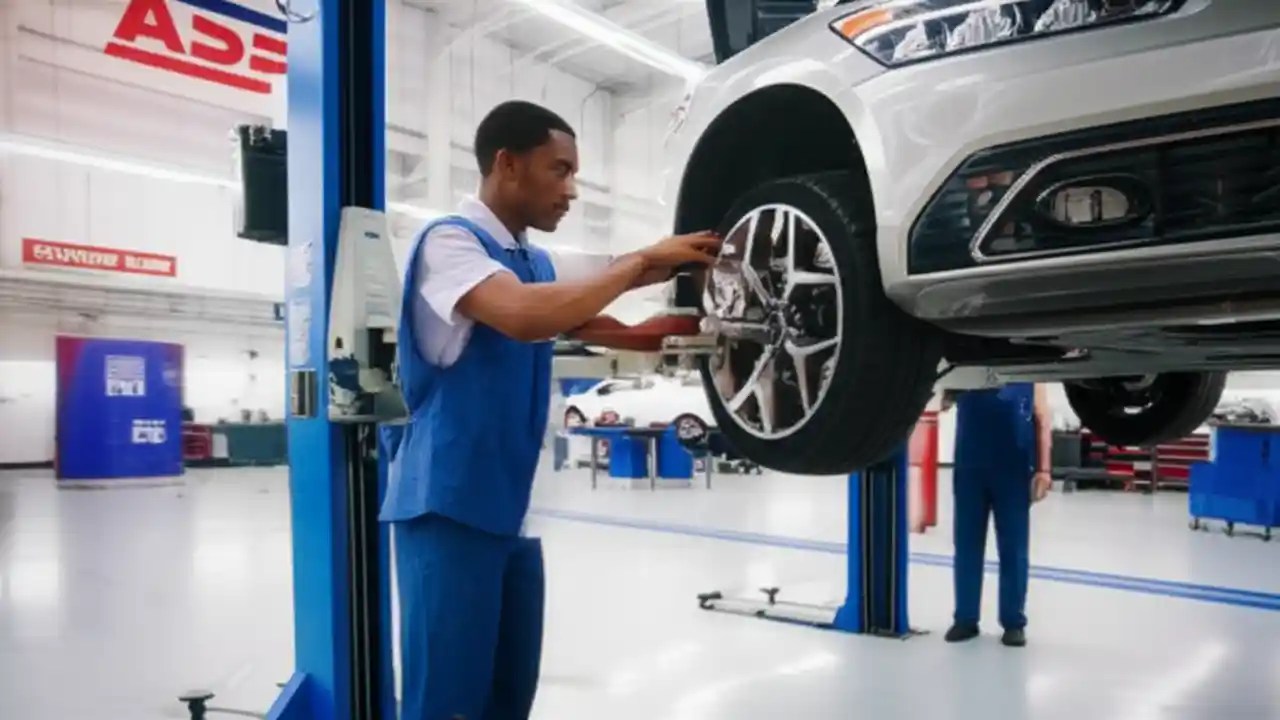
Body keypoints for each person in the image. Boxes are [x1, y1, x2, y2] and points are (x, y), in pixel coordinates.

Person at [378, 100, 721, 720]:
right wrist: (640, 262)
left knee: (507, 699)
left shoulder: (531, 261)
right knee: (445, 703)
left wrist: (699, 329)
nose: (571, 191)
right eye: (559, 171)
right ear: (507, 165)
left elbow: (599, 305)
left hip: (500, 511)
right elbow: (525, 313)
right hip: (444, 509)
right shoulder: (449, 244)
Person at [942, 383, 1053, 647]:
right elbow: (941, 402)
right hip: (970, 468)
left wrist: (1044, 469)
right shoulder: (966, 368)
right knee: (967, 546)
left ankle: (1013, 622)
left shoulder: (1029, 370)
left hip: (1012, 470)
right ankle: (966, 619)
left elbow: (1042, 417)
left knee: (1014, 550)